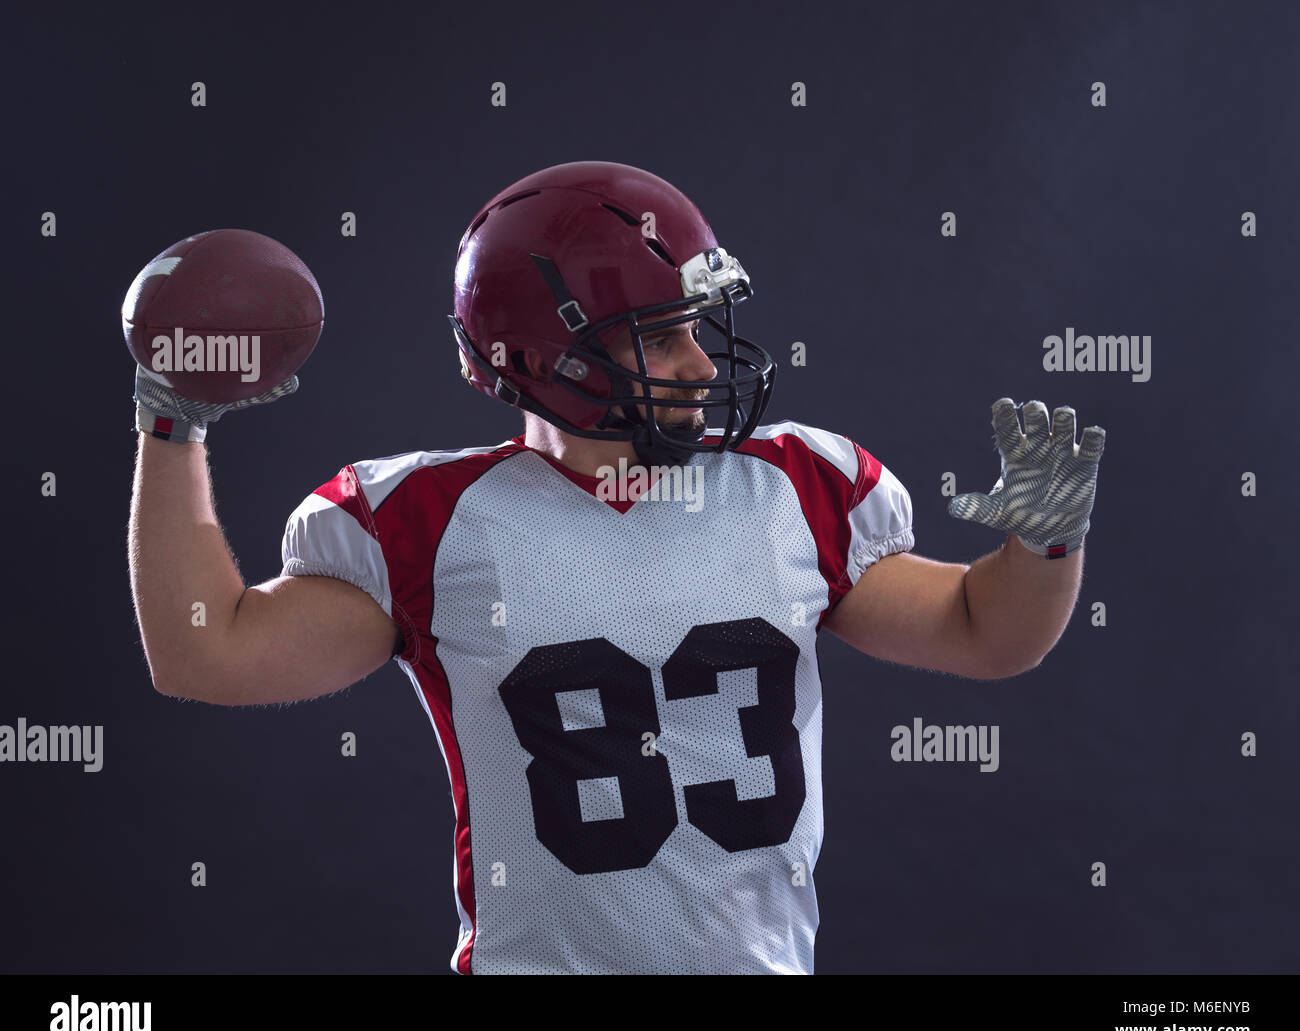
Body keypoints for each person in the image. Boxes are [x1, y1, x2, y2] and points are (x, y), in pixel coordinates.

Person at [128, 160, 1105, 975]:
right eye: (659, 336)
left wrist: (1047, 539)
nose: (698, 364)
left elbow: (989, 632)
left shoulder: (793, 488)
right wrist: (172, 423)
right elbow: (204, 655)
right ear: (550, 359)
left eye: (696, 325)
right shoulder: (430, 524)